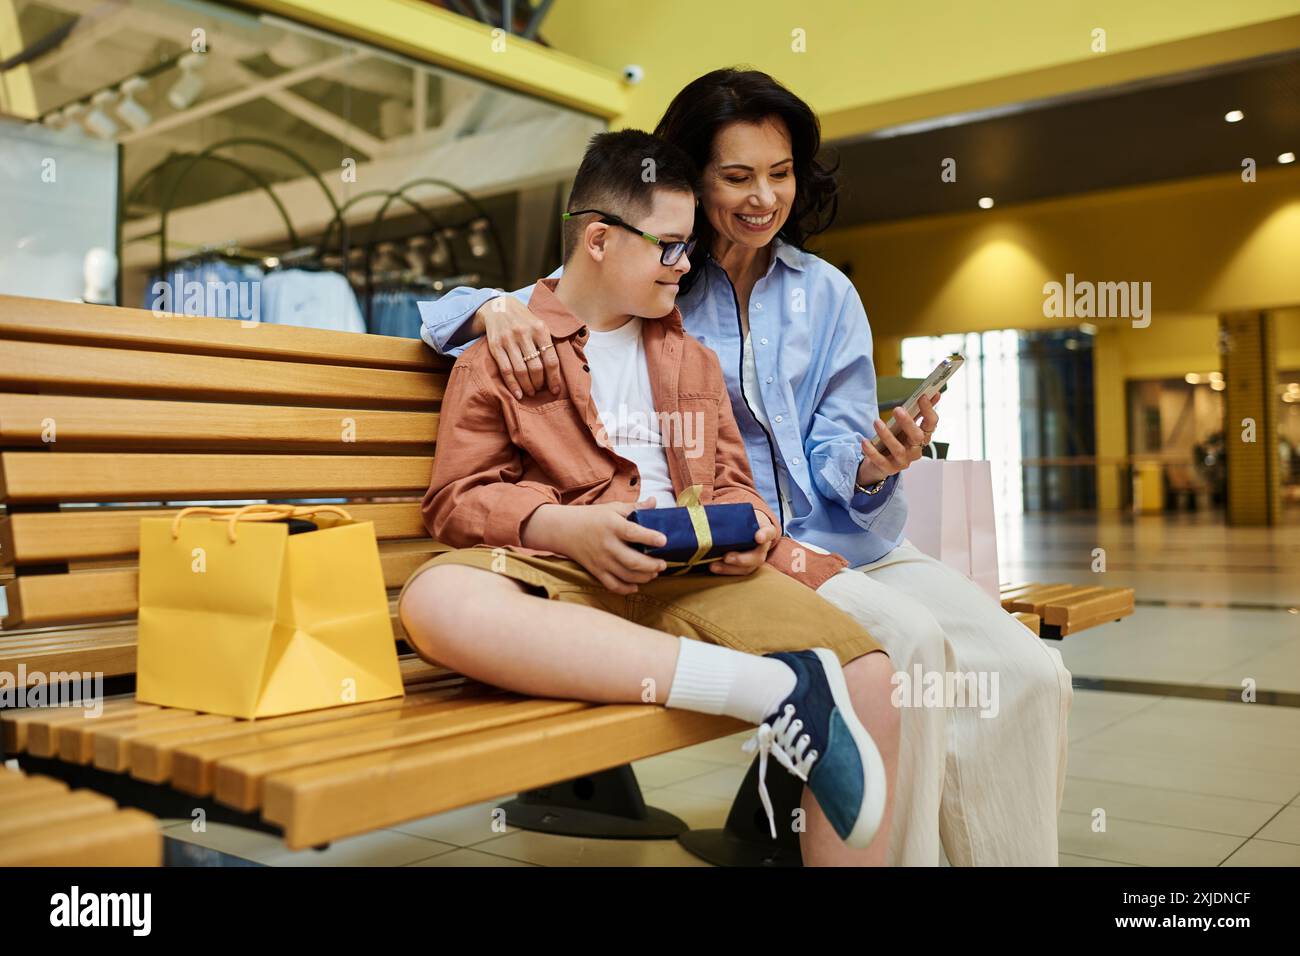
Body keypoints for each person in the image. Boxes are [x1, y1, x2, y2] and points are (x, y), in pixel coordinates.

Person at [418, 69, 1073, 866]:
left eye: (781, 173)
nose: (764, 198)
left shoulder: (815, 295)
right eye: (736, 177)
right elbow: (544, 301)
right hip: (732, 556)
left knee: (1031, 672)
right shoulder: (655, 289)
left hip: (836, 541)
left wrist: (873, 467)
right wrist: (489, 306)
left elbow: (822, 447)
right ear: (688, 182)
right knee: (910, 650)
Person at [399, 128, 901, 865]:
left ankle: (787, 691)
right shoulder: (505, 348)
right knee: (437, 601)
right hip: (561, 578)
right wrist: (565, 528)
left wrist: (753, 528)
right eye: (669, 246)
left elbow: (736, 483)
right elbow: (455, 500)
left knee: (872, 674)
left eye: (688, 244)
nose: (686, 263)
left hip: (694, 573)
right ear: (598, 239)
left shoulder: (690, 358)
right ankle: (769, 689)